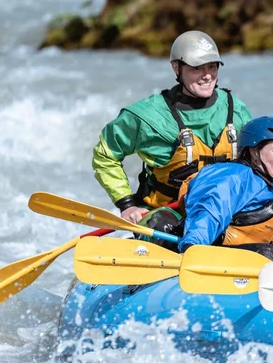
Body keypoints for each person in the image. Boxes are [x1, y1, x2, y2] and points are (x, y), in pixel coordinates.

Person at [92, 30, 253, 230]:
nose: (207, 75)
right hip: (168, 216)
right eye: (197, 68)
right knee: (165, 226)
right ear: (176, 68)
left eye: (212, 66)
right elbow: (105, 155)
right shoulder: (147, 116)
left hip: (223, 208)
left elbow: (257, 158)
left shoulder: (235, 108)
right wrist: (126, 204)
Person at [177, 116, 273, 258]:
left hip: (249, 257)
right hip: (211, 252)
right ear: (254, 151)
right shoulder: (233, 176)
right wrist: (192, 247)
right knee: (267, 253)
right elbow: (211, 211)